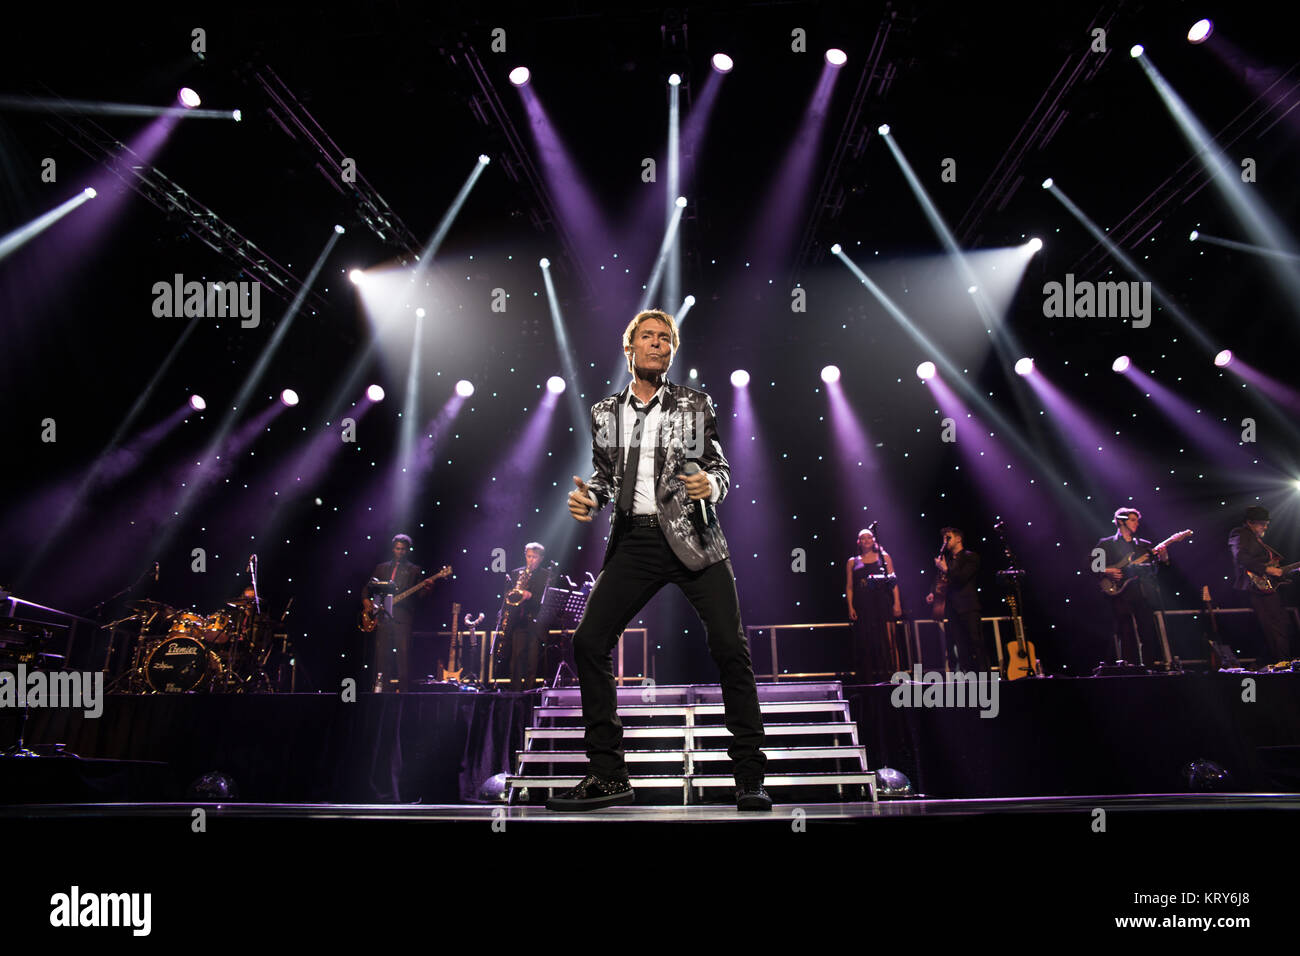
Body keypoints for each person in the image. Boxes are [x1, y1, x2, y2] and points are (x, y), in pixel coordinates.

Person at [550, 308, 769, 812]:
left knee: (730, 647)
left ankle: (750, 778)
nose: (658, 346)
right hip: (636, 540)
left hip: (695, 536)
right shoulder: (607, 412)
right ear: (629, 349)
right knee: (588, 641)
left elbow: (714, 466)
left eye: (666, 339)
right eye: (648, 338)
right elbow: (606, 476)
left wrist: (708, 484)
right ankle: (608, 776)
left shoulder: (691, 405)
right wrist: (593, 499)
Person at [1095, 507, 1168, 667]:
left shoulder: (1144, 546)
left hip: (1142, 592)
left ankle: (1149, 667)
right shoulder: (1106, 544)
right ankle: (1130, 667)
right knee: (1126, 631)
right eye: (1132, 520)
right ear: (1120, 521)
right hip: (1120, 594)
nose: (1137, 523)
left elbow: (1158, 570)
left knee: (1147, 631)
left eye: (1137, 520)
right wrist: (1107, 571)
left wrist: (1163, 557)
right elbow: (1094, 565)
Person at [362, 534, 435, 692]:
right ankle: (381, 689)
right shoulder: (381, 568)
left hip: (403, 618)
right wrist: (367, 603)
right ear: (393, 549)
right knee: (382, 656)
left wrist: (428, 590)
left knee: (403, 655)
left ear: (408, 550)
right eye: (397, 548)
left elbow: (419, 597)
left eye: (403, 549)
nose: (400, 552)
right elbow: (367, 589)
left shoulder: (414, 570)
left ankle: (404, 692)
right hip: (382, 617)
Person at [1229, 506, 1295, 662]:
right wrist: (1268, 569)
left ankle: (1275, 661)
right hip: (1256, 587)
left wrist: (1279, 572)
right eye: (1262, 524)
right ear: (1250, 522)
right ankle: (1281, 663)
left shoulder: (1255, 539)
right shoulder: (1239, 534)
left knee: (1279, 624)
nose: (1266, 527)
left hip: (1265, 587)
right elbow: (1241, 557)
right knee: (1275, 625)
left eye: (1266, 523)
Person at [845, 528, 901, 681]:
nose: (866, 540)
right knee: (866, 641)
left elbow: (893, 582)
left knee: (890, 639)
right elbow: (849, 586)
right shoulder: (852, 561)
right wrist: (850, 606)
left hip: (883, 602)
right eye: (863, 538)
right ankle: (869, 676)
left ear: (874, 540)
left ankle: (895, 673)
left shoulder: (883, 557)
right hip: (863, 605)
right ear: (859, 542)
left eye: (869, 537)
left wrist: (897, 603)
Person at [928, 527, 986, 672]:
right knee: (961, 646)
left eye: (948, 538)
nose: (945, 541)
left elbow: (961, 578)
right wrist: (933, 592)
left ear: (958, 539)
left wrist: (946, 569)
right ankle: (968, 679)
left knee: (976, 643)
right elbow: (940, 580)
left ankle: (985, 678)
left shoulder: (970, 557)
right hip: (952, 608)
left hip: (968, 607)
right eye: (944, 539)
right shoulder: (947, 560)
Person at [498, 543, 553, 692]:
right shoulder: (517, 573)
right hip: (519, 621)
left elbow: (546, 599)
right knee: (517, 657)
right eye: (529, 556)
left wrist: (530, 596)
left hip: (535, 621)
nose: (531, 560)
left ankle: (529, 692)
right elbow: (509, 595)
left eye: (534, 557)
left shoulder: (546, 575)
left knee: (532, 660)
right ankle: (515, 692)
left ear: (541, 558)